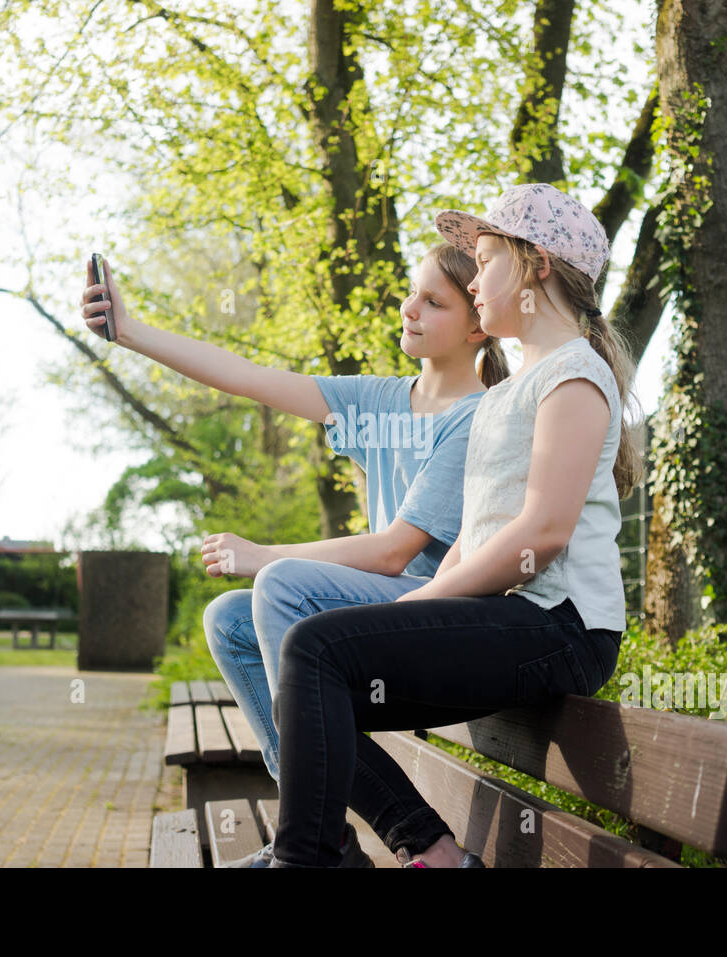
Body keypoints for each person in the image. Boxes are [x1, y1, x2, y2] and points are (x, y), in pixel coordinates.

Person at [80, 243, 507, 866]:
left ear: (477, 326)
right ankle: (329, 837)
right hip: (379, 617)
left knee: (279, 586)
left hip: (431, 618)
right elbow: (248, 376)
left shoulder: (476, 419)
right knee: (228, 618)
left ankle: (340, 846)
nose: (409, 308)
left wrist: (264, 555)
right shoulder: (381, 403)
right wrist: (130, 332)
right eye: (412, 292)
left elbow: (395, 553)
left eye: (432, 302)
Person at [266, 182, 644, 867]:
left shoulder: (577, 376)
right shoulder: (504, 396)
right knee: (306, 685)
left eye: (489, 257)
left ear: (535, 267)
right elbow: (473, 535)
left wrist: (423, 601)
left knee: (315, 651)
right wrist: (415, 608)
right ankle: (430, 850)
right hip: (510, 620)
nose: (476, 280)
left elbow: (543, 534)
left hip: (563, 625)